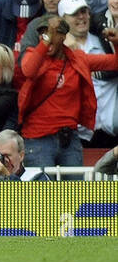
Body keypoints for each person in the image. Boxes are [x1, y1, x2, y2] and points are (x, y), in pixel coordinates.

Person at [15, 15, 118, 173]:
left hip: (69, 139)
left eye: (51, 33)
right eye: (42, 34)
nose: (46, 38)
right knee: (42, 197)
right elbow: (28, 69)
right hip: (38, 140)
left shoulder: (78, 59)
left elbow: (114, 62)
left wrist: (116, 42)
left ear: (63, 36)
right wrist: (48, 38)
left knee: (73, 195)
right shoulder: (33, 54)